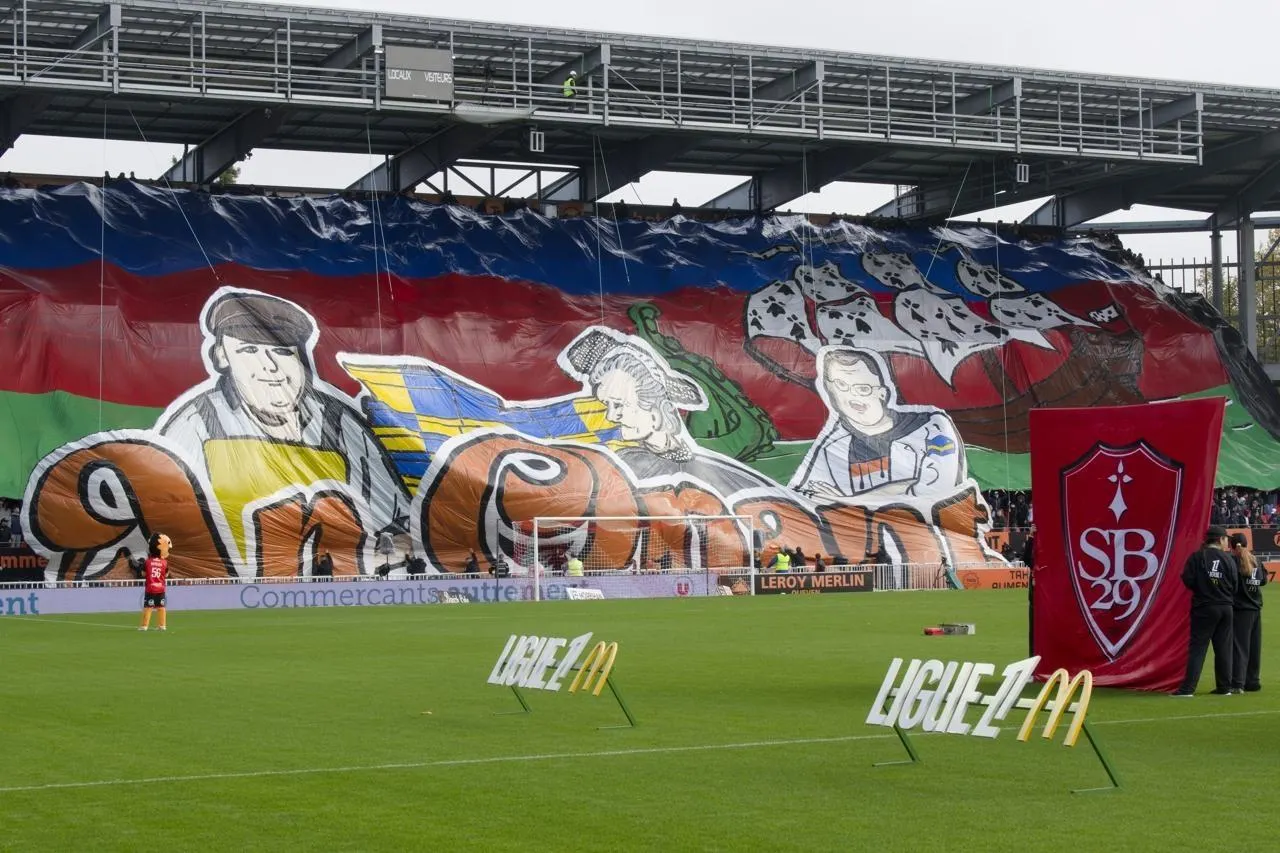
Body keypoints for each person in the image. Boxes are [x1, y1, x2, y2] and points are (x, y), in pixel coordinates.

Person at [156, 289, 410, 541]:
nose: (269, 365)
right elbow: (164, 516)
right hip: (230, 580)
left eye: (282, 351)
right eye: (249, 351)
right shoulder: (198, 424)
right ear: (222, 355)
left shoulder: (339, 423)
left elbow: (396, 518)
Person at [560, 327, 773, 498]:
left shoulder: (720, 474)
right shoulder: (619, 463)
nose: (611, 416)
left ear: (655, 411)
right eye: (608, 405)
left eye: (620, 405)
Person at [791, 348, 964, 501]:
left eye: (863, 388)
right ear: (829, 390)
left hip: (925, 535)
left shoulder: (932, 427)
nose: (853, 396)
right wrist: (898, 489)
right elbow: (805, 496)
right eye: (841, 385)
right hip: (861, 537)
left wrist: (848, 502)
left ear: (882, 393)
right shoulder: (833, 447)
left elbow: (935, 491)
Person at [1174, 526, 1238, 697]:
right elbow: (1235, 584)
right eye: (1225, 539)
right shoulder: (1228, 559)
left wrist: (1203, 588)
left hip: (1204, 606)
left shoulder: (1197, 557)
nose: (1227, 542)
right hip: (1226, 607)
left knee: (1198, 648)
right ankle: (1225, 687)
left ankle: (1188, 689)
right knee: (1223, 648)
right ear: (1219, 540)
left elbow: (1187, 579)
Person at [1230, 533, 1267, 693]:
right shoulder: (1255, 560)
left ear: (1232, 546)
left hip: (1240, 609)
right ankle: (1252, 680)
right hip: (1256, 607)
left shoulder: (1233, 561)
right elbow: (1264, 580)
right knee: (1254, 646)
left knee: (1239, 647)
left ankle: (1238, 682)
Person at [138, 532, 173, 632]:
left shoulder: (147, 562)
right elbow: (166, 575)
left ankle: (144, 626)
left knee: (148, 607)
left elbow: (143, 574)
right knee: (161, 607)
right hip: (160, 588)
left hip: (150, 588)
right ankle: (162, 625)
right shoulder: (164, 562)